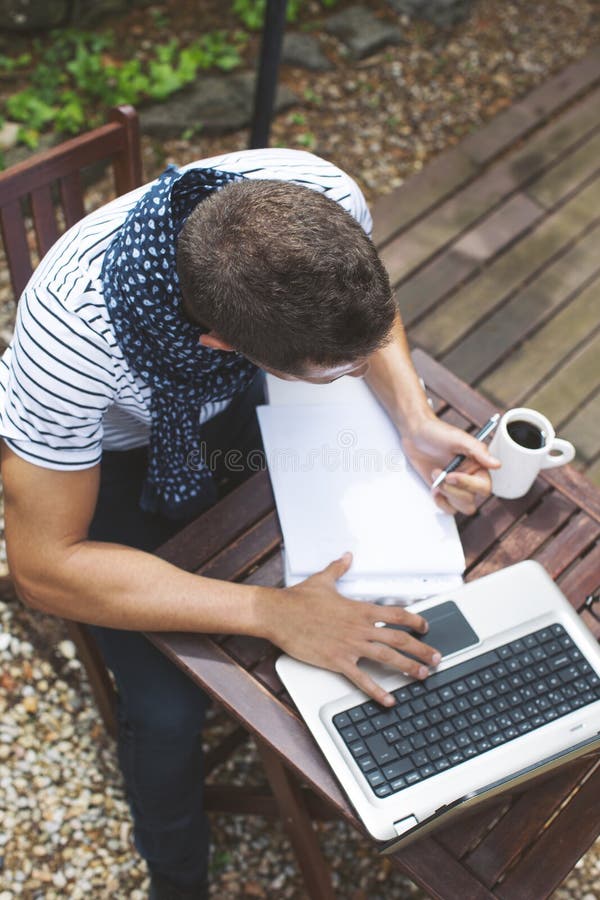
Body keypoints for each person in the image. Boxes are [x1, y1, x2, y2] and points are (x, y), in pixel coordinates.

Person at [0, 149, 498, 899]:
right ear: (224, 348)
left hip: (231, 417)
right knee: (167, 711)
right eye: (342, 371)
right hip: (112, 461)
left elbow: (373, 321)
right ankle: (177, 879)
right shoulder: (68, 343)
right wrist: (272, 612)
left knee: (361, 565)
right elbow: (44, 568)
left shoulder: (320, 192)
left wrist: (412, 416)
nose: (363, 374)